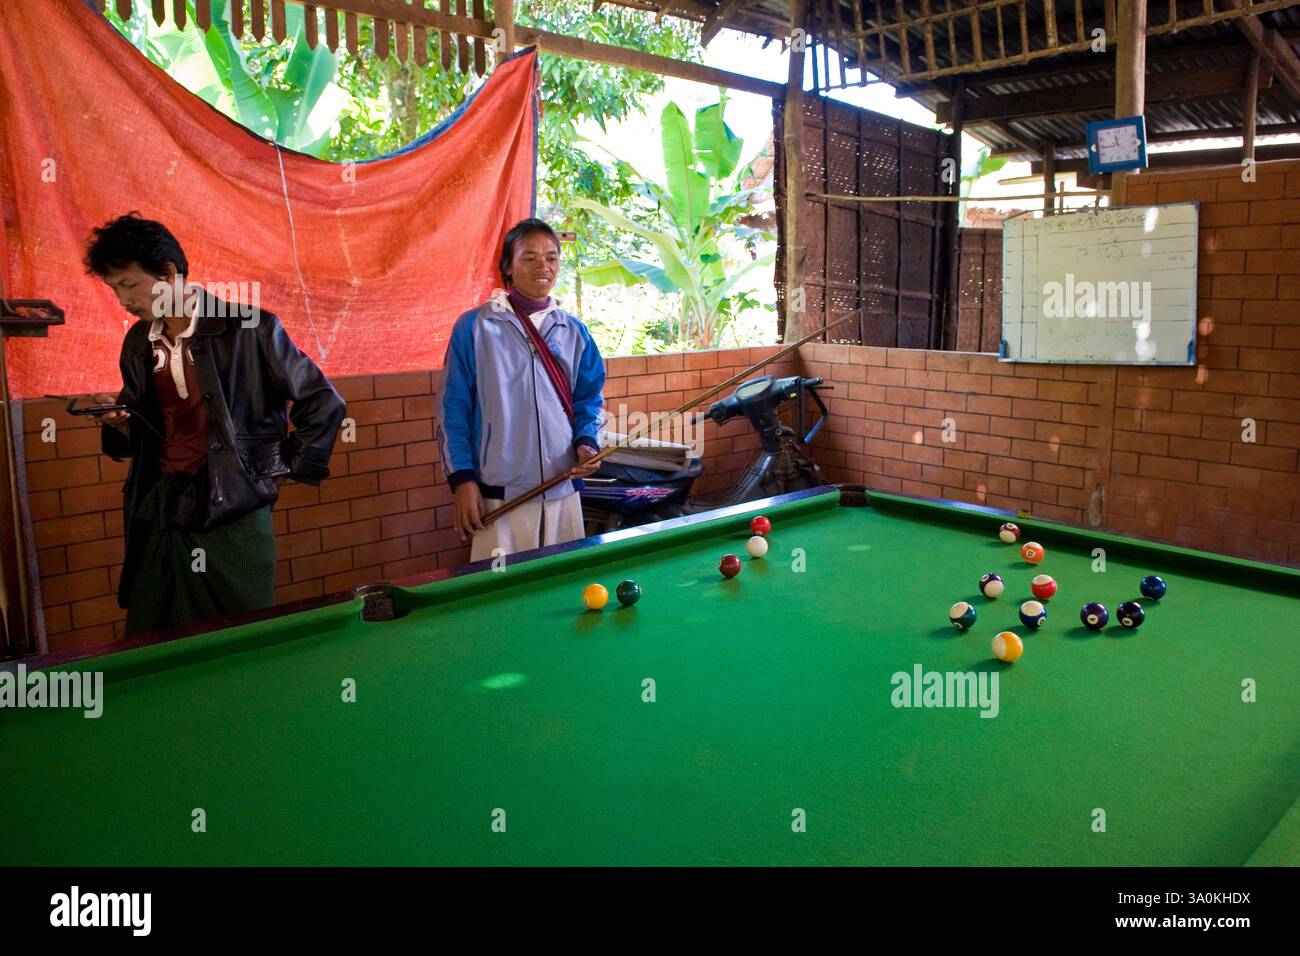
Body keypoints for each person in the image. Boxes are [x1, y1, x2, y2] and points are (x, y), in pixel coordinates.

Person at [84, 212, 346, 634]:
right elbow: (147, 430)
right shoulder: (138, 342)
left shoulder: (250, 327)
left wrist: (280, 467)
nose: (123, 300)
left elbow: (322, 401)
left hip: (233, 505)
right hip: (161, 501)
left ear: (170, 273)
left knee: (242, 629)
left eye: (129, 284)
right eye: (114, 289)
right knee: (153, 629)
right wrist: (118, 422)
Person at [439, 218, 605, 561]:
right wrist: (463, 480)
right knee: (500, 598)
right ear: (508, 268)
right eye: (529, 257)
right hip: (501, 496)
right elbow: (452, 410)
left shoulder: (574, 331)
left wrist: (587, 443)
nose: (543, 266)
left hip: (562, 492)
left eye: (551, 257)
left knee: (564, 590)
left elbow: (589, 399)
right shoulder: (475, 327)